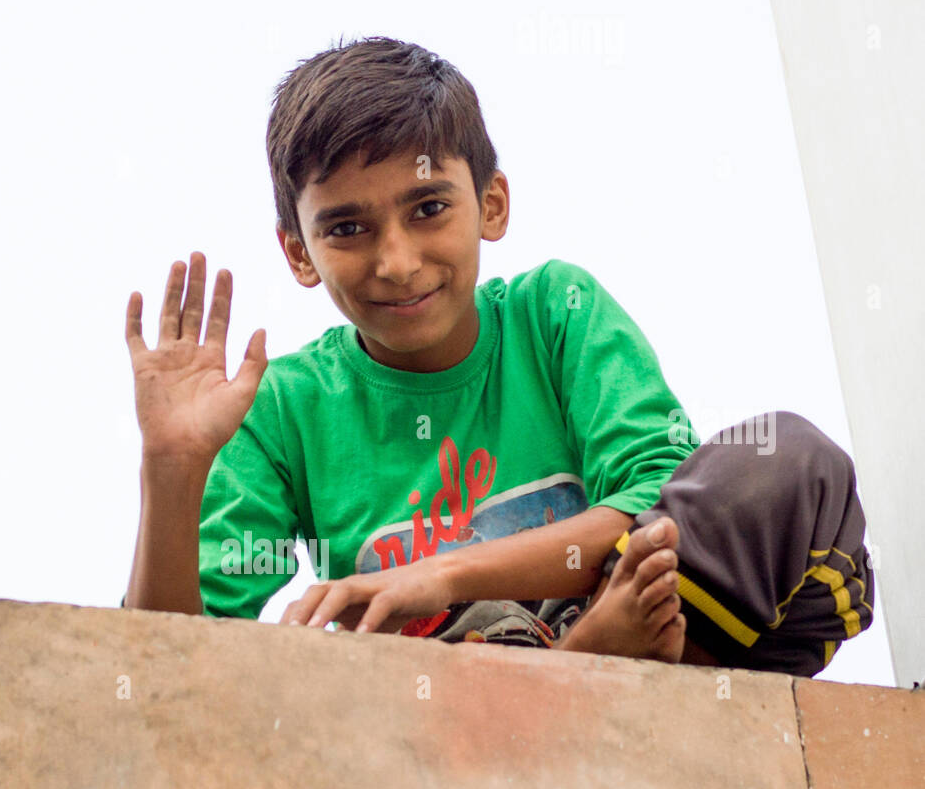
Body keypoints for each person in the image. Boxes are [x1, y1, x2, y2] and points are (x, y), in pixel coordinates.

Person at [123, 37, 872, 677]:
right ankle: (581, 668)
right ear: (299, 254)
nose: (398, 261)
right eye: (348, 228)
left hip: (640, 625)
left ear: (491, 205)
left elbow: (654, 497)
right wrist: (173, 469)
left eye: (428, 209)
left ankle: (584, 663)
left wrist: (440, 572)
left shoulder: (553, 312)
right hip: (436, 692)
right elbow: (172, 665)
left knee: (786, 462)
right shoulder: (282, 407)